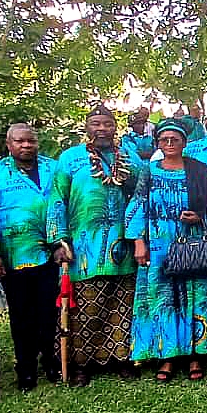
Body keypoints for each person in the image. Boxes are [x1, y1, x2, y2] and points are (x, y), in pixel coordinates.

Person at [47, 106, 140, 386]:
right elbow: (56, 200)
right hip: (83, 249)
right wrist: (59, 240)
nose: (102, 129)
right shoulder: (71, 159)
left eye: (107, 124)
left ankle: (120, 359)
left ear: (115, 127)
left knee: (122, 304)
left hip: (121, 246)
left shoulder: (129, 158)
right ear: (87, 127)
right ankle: (80, 364)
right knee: (86, 306)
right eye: (96, 124)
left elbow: (141, 195)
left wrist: (139, 239)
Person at [125, 119, 207, 382]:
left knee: (195, 296)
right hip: (158, 245)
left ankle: (195, 355)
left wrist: (199, 217)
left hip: (193, 243)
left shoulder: (199, 170)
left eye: (174, 140)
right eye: (164, 140)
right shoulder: (149, 171)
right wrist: (138, 241)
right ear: (158, 144)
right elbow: (138, 204)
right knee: (162, 298)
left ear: (184, 143)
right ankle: (166, 356)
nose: (169, 144)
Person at [0, 124, 59, 392]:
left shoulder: (53, 168)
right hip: (14, 257)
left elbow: (62, 206)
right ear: (9, 144)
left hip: (50, 254)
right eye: (20, 141)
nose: (26, 146)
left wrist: (61, 243)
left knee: (50, 312)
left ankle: (52, 362)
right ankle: (26, 369)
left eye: (31, 141)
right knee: (22, 316)